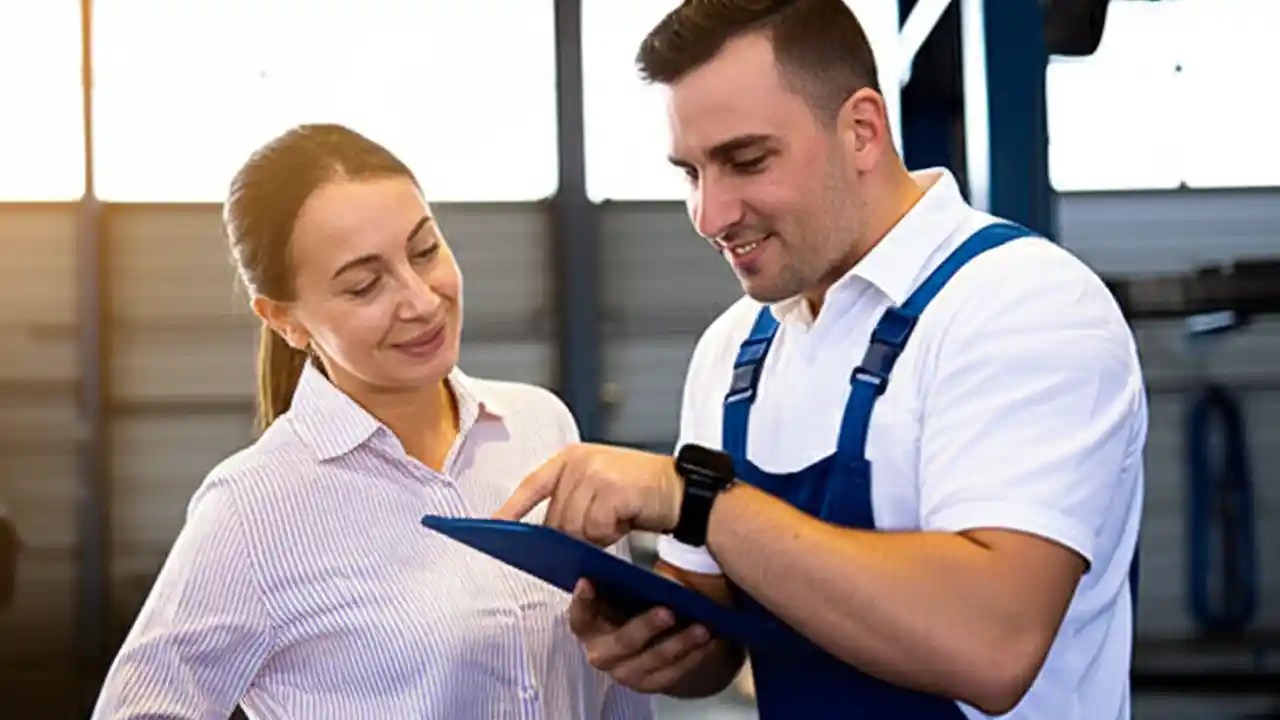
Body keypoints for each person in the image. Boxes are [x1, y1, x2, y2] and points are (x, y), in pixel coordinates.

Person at [494, 2, 1147, 719]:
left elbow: (992, 646)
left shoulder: (1021, 304)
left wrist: (692, 498)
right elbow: (715, 631)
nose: (711, 217)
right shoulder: (735, 350)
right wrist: (651, 634)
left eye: (746, 162)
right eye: (691, 173)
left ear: (862, 130)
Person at [92, 124, 653, 720]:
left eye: (425, 250)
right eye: (364, 286)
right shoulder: (252, 509)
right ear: (284, 320)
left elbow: (619, 686)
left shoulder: (540, 427)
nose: (421, 301)